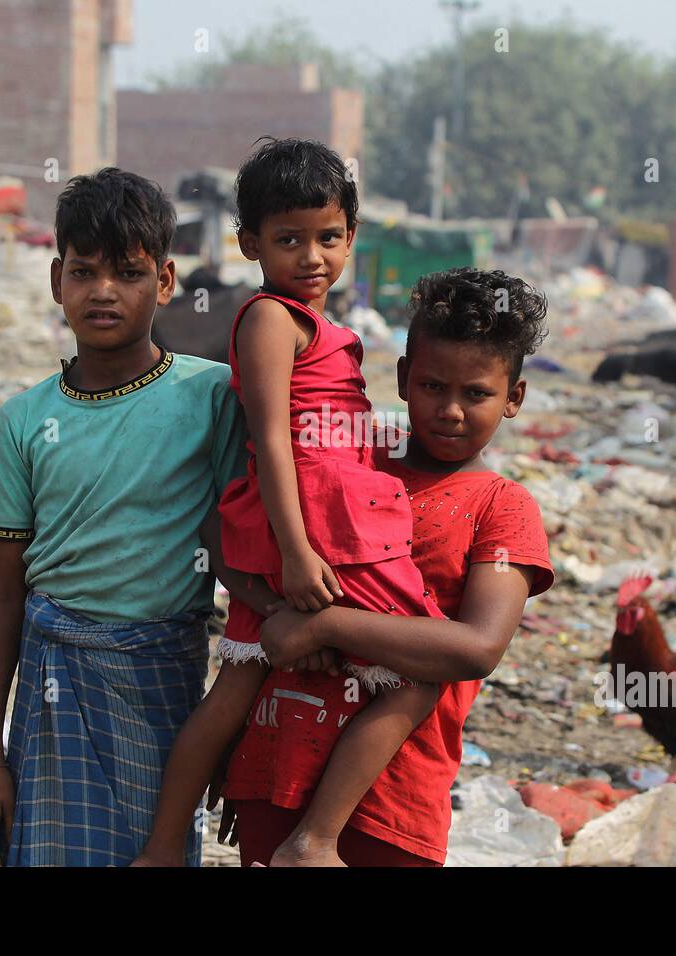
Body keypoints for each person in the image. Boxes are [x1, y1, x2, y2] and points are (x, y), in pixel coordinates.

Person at [135, 138, 449, 867]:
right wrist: (300, 554)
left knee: (237, 687)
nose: (312, 257)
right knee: (422, 672)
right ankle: (314, 841)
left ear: (352, 237)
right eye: (288, 240)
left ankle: (161, 853)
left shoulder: (333, 330)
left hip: (331, 522)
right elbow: (273, 441)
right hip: (319, 534)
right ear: (249, 244)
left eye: (328, 237)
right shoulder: (271, 318)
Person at [0, 167, 259, 867]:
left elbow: (240, 551)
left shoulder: (212, 397)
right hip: (51, 690)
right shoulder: (23, 420)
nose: (102, 291)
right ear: (55, 278)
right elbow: (4, 593)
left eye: (126, 273)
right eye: (84, 271)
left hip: (159, 686)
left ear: (164, 281)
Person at [225, 267, 556, 866]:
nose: (451, 410)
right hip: (276, 761)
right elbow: (238, 533)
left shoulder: (503, 508)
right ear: (403, 379)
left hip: (394, 804)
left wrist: (324, 627)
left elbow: (476, 649)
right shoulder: (347, 457)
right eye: (432, 386)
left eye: (476, 393)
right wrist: (278, 614)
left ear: (514, 397)